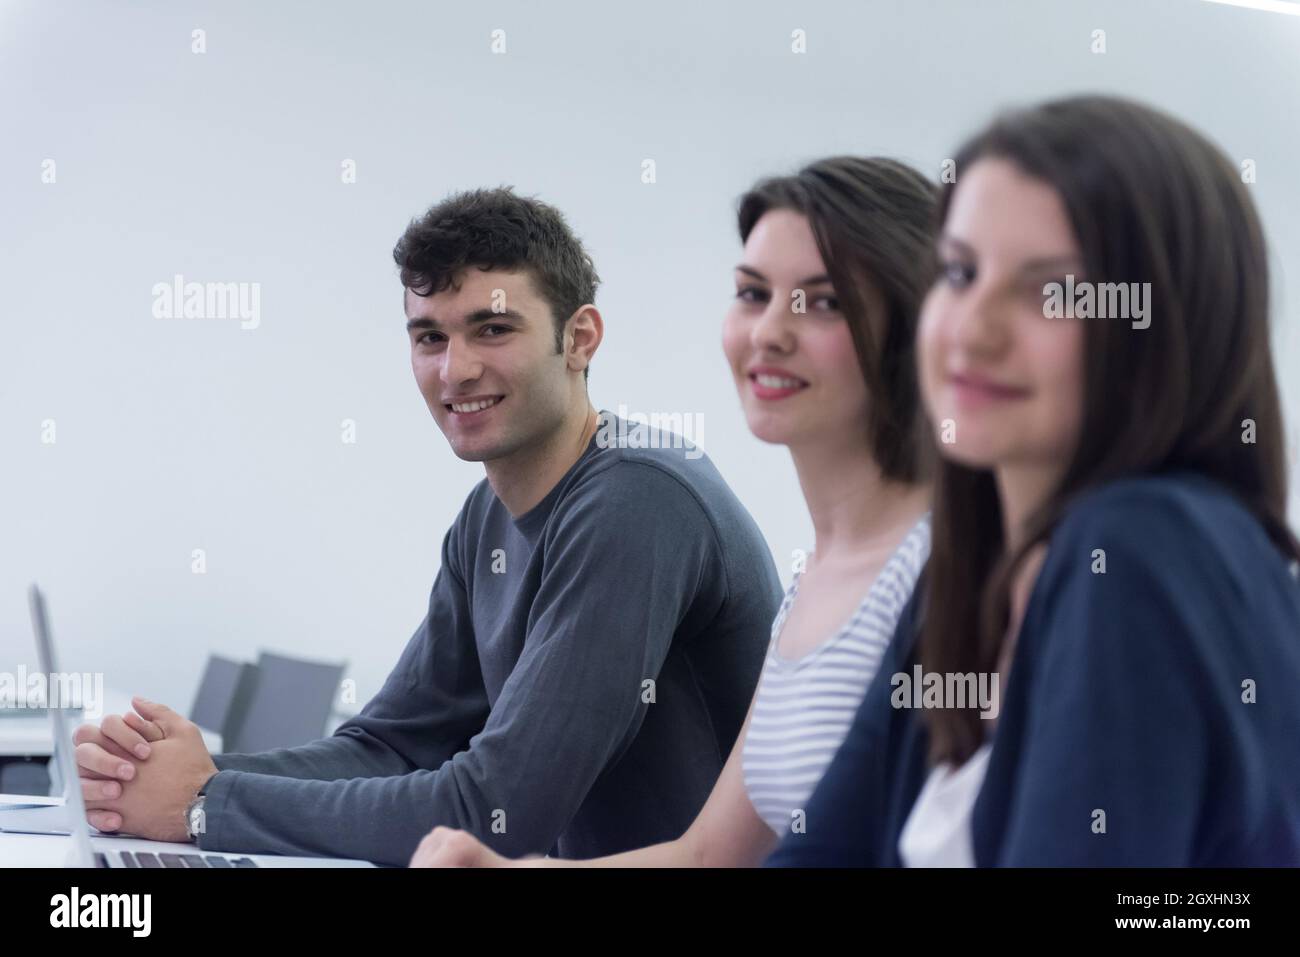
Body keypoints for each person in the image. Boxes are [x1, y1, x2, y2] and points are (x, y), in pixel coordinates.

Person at [71, 187, 783, 866]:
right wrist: (183, 775)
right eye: (429, 336)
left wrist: (206, 803)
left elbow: (500, 808)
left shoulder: (638, 500)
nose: (456, 369)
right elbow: (391, 745)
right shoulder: (486, 517)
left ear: (580, 338)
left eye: (493, 328)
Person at [767, 95, 1300, 867]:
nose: (972, 327)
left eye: (1053, 291)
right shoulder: (965, 583)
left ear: (1163, 325)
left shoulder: (1139, 549)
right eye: (960, 272)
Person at [410, 156, 937, 867]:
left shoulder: (957, 574)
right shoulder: (817, 581)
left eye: (824, 301)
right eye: (753, 293)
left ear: (925, 328)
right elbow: (709, 856)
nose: (769, 331)